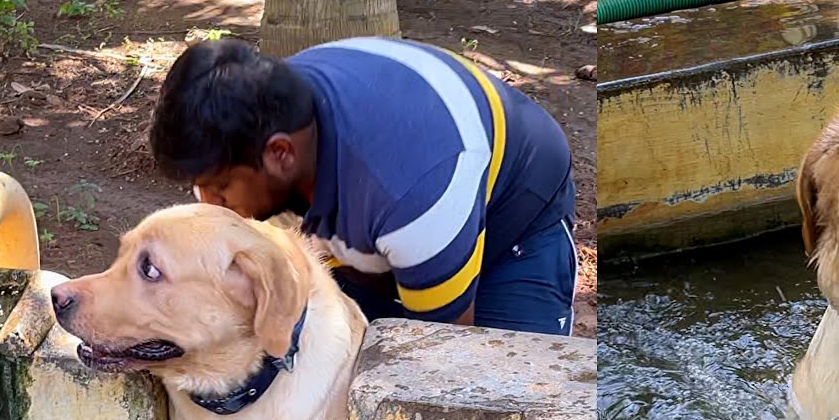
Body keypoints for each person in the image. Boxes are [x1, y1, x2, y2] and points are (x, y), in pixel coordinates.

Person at [149, 37, 578, 336]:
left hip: (513, 220)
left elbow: (446, 361)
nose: (211, 205)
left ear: (280, 155)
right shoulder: (253, 126)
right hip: (388, 213)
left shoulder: (416, 197)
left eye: (220, 187)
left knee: (505, 392)